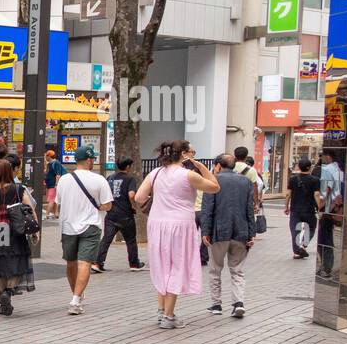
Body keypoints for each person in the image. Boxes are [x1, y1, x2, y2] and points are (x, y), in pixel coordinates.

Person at [134, 140, 219, 329]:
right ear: (184, 154)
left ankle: (161, 310)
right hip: (180, 224)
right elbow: (214, 187)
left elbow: (139, 198)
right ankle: (169, 316)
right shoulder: (188, 175)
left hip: (157, 223)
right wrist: (201, 167)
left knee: (162, 265)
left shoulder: (154, 173)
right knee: (176, 266)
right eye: (192, 152)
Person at [54, 145, 113, 315]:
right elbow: (108, 205)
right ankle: (75, 298)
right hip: (91, 225)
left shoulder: (64, 180)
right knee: (85, 263)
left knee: (71, 263)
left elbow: (58, 202)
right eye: (93, 158)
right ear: (89, 160)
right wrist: (100, 206)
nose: (93, 161)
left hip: (68, 225)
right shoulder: (99, 180)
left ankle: (77, 296)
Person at [0, 159, 35, 316]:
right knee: (18, 263)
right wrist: (35, 228)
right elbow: (29, 209)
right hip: (15, 230)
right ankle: (8, 292)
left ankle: (3, 297)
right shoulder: (18, 189)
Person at [201, 154, 256, 319]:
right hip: (241, 231)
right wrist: (251, 233)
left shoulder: (213, 180)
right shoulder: (245, 181)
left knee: (215, 269)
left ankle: (216, 304)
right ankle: (239, 303)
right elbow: (249, 208)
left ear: (218, 165)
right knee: (237, 270)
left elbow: (207, 209)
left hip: (219, 231)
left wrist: (205, 232)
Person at [94, 157, 144, 273]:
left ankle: (98, 263)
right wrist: (134, 205)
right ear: (127, 167)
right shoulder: (130, 179)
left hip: (111, 214)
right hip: (125, 214)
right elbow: (131, 194)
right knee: (130, 240)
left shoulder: (110, 178)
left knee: (106, 239)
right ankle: (134, 264)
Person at [285, 157, 321, 259]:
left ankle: (297, 251)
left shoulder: (292, 179)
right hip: (309, 210)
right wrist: (320, 208)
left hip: (295, 209)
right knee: (311, 228)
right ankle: (303, 245)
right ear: (309, 167)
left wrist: (286, 207)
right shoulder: (315, 180)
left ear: (299, 167)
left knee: (295, 230)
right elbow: (317, 195)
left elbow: (288, 194)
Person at [317, 150, 344, 278]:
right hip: (336, 208)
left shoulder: (327, 169)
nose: (321, 158)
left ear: (328, 156)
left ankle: (326, 268)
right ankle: (326, 266)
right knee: (327, 238)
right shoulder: (339, 170)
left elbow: (325, 191)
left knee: (324, 239)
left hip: (327, 209)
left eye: (322, 156)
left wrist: (319, 208)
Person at [232, 146, 263, 211]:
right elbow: (255, 187)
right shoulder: (251, 170)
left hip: (229, 199)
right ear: (246, 156)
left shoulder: (229, 167)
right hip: (245, 200)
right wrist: (256, 203)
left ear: (235, 155)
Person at [44, 149, 67, 218]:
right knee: (54, 199)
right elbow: (47, 173)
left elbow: (58, 175)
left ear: (49, 156)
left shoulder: (56, 163)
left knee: (51, 200)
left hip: (53, 185)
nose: (45, 157)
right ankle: (56, 213)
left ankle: (46, 214)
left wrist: (56, 185)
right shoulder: (49, 164)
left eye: (46, 156)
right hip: (49, 184)